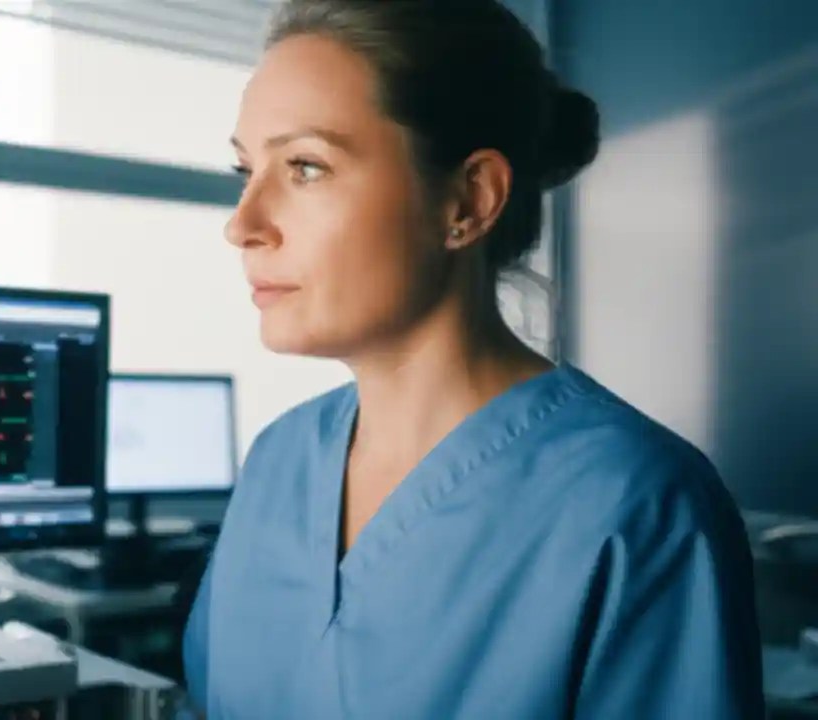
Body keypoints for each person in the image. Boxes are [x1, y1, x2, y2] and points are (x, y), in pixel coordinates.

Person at [182, 1, 765, 718]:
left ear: (468, 199)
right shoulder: (278, 463)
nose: (242, 224)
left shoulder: (637, 505)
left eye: (306, 166)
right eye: (245, 169)